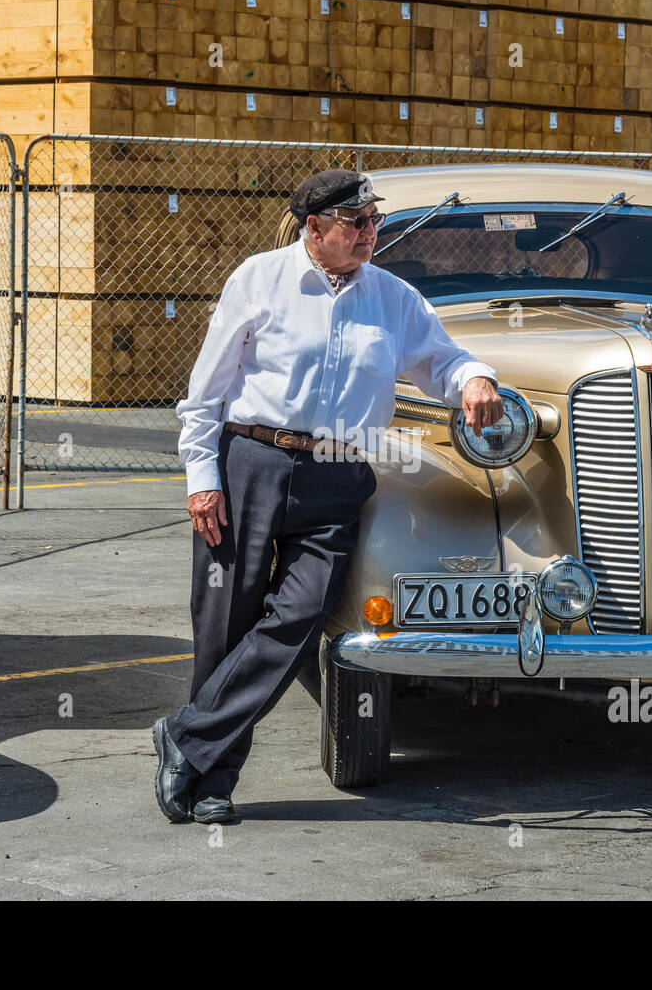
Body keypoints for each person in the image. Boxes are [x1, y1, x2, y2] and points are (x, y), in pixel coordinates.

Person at [154, 169, 502, 824]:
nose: (372, 233)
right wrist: (202, 479)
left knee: (302, 616)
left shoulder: (393, 297)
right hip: (251, 463)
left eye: (375, 221)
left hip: (340, 472)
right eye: (357, 223)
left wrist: (476, 378)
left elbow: (442, 361)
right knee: (225, 627)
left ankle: (187, 736)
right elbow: (206, 391)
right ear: (314, 227)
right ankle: (211, 778)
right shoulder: (258, 278)